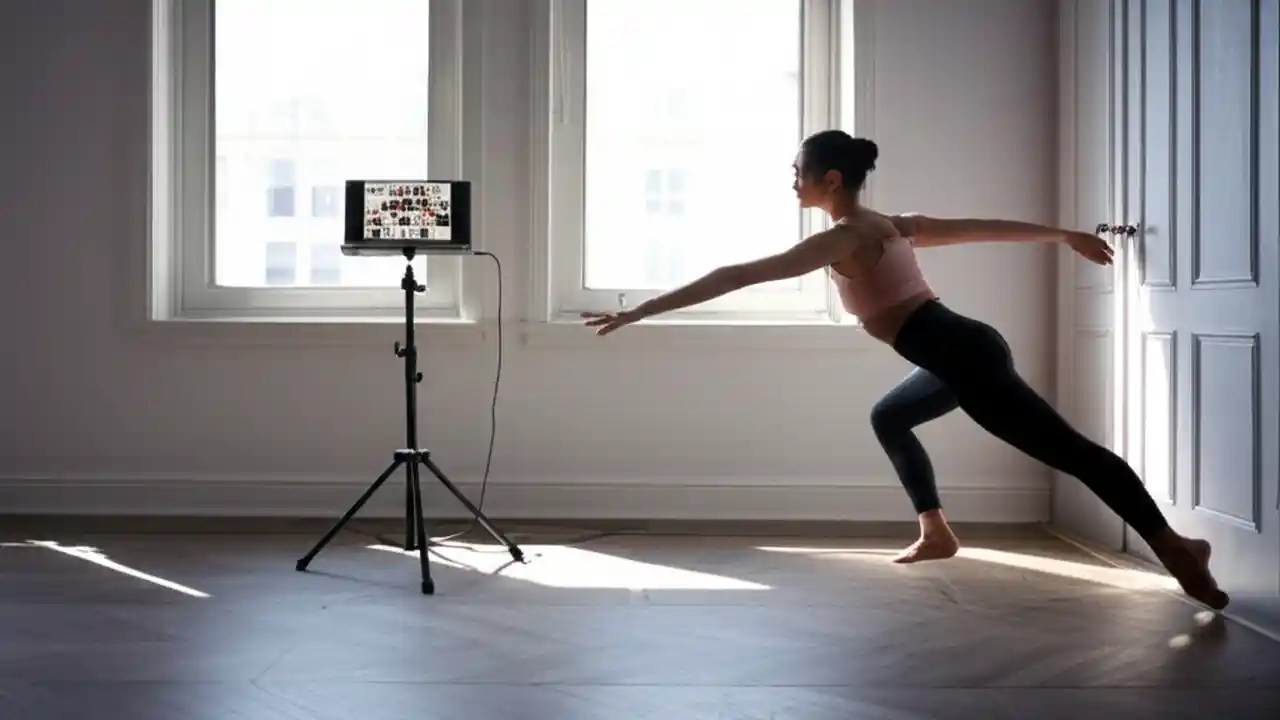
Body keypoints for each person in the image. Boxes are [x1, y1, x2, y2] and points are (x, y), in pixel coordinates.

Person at [582, 129, 1229, 611]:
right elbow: (979, 228)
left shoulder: (843, 237)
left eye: (798, 172)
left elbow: (737, 275)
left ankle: (1175, 546)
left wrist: (644, 309)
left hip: (955, 350)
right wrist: (1061, 234)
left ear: (830, 179)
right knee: (890, 415)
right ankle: (936, 531)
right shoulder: (888, 224)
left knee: (1072, 454)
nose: (793, 182)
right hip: (959, 345)